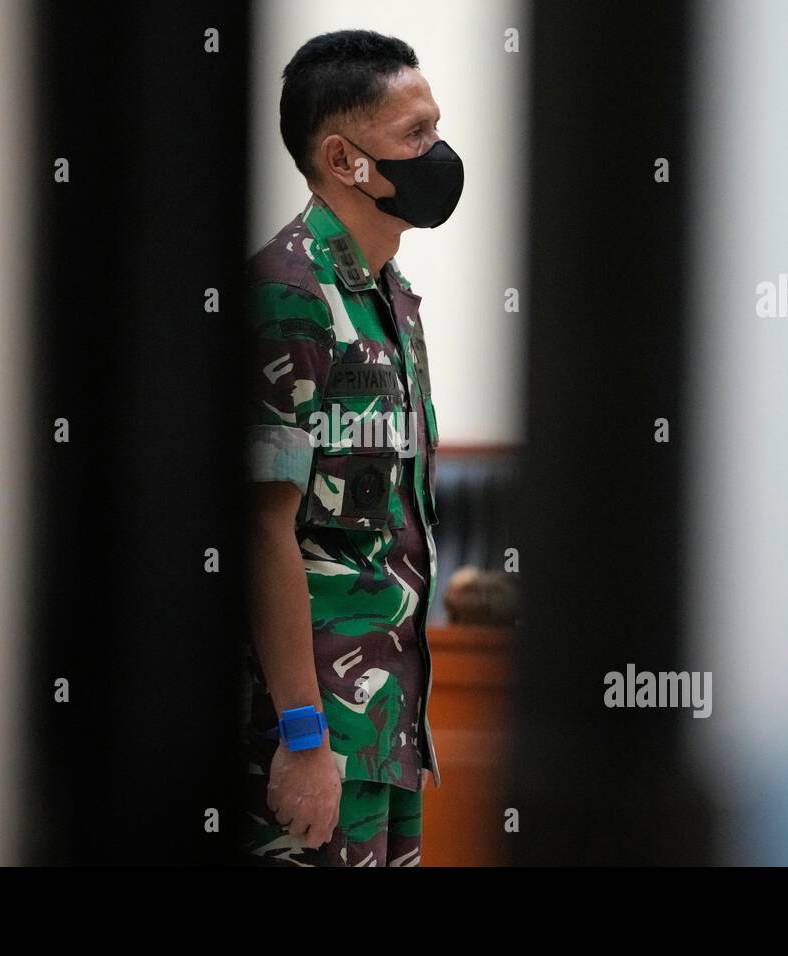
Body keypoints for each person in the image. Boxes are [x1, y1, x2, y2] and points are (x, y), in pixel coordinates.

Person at [239, 29, 463, 866]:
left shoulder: (393, 301)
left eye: (436, 128)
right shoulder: (287, 298)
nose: (437, 154)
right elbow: (262, 530)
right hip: (312, 736)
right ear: (344, 159)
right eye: (414, 137)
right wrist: (301, 739)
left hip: (389, 733)